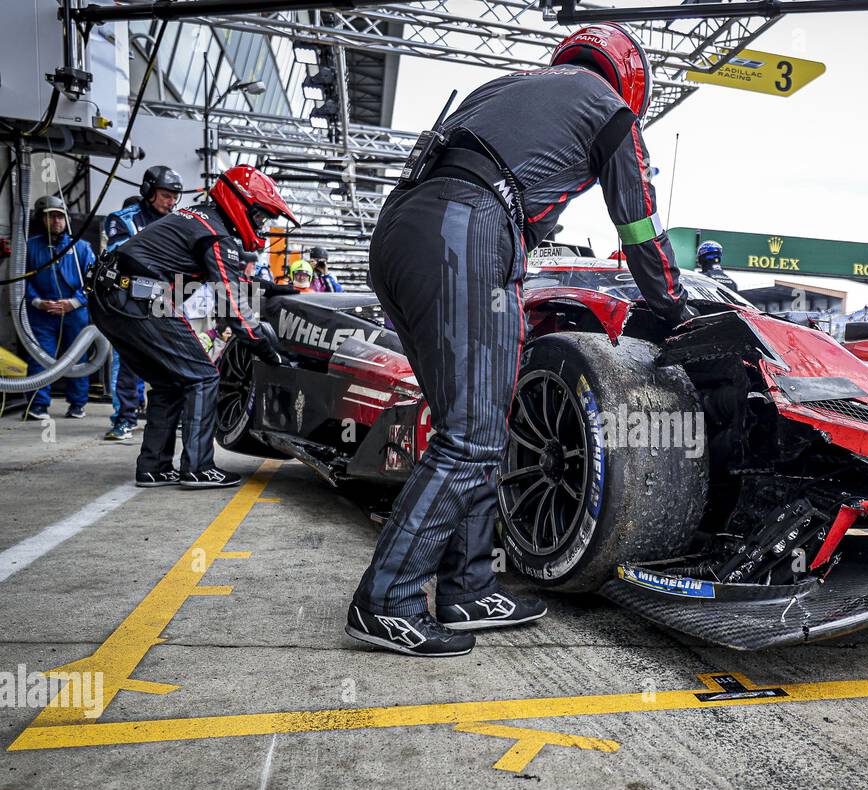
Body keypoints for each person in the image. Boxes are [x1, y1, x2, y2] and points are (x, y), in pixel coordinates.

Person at [347, 21, 692, 657]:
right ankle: (386, 600)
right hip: (465, 229)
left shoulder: (505, 89)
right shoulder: (610, 110)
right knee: (471, 437)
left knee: (474, 426)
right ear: (631, 81)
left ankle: (469, 587)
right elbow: (640, 225)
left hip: (401, 232)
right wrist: (671, 305)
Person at [87, 164, 297, 489]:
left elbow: (220, 278)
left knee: (171, 383)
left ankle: (154, 467)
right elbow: (231, 303)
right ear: (241, 203)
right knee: (204, 376)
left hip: (112, 298)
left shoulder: (198, 220)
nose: (260, 225)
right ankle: (198, 467)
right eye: (259, 216)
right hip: (138, 298)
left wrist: (267, 288)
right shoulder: (214, 232)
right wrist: (267, 350)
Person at [101, 165, 184, 442]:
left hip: (166, 301)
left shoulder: (179, 222)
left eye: (174, 197)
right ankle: (124, 419)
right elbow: (124, 255)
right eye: (165, 195)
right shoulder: (122, 219)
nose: (171, 202)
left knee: (172, 362)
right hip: (129, 300)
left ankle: (173, 416)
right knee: (129, 362)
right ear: (149, 192)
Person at [22, 194, 97, 421]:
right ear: (41, 219)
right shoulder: (29, 247)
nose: (56, 221)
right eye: (51, 217)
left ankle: (77, 404)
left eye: (60, 216)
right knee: (40, 357)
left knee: (77, 359)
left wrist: (73, 302)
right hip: (41, 312)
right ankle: (38, 405)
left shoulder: (81, 248)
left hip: (74, 311)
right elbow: (20, 280)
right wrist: (37, 302)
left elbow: (92, 281)